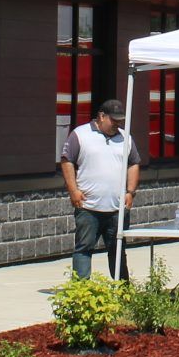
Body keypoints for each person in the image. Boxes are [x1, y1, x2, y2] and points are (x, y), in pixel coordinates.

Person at [58, 97, 139, 282]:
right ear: (101, 116)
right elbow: (66, 160)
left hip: (117, 209)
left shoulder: (125, 138)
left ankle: (122, 290)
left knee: (118, 250)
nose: (117, 124)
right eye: (114, 119)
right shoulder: (80, 134)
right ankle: (82, 292)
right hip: (88, 208)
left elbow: (134, 163)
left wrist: (130, 191)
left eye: (120, 120)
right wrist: (73, 191)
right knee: (84, 249)